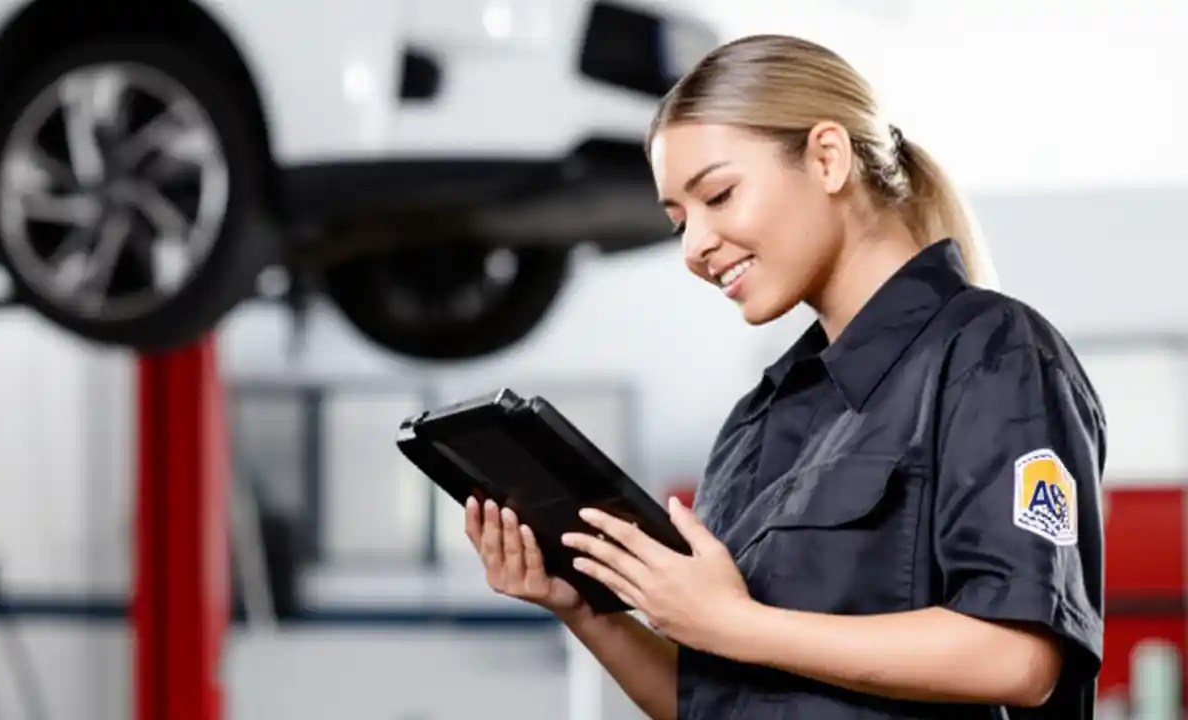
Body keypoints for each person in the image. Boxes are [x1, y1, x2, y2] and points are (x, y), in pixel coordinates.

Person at [463, 33, 1105, 719]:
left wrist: (736, 624)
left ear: (828, 158)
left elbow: (1017, 658)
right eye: (678, 220)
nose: (695, 247)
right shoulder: (758, 419)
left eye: (718, 195)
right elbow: (712, 699)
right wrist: (583, 609)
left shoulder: (992, 355)